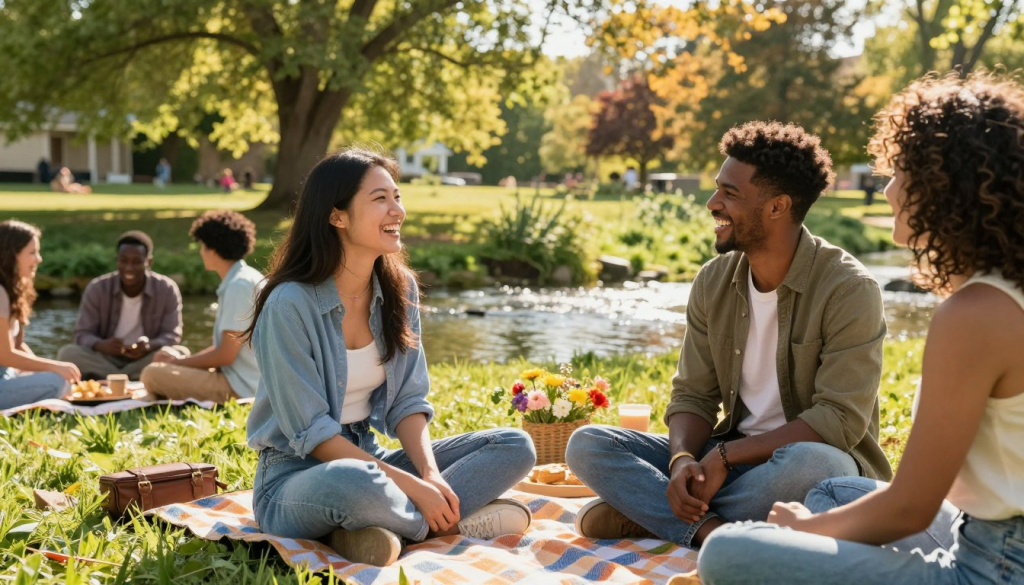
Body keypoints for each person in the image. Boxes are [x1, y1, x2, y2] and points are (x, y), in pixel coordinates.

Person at [698, 73, 1024, 585]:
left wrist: (805, 532)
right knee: (833, 488)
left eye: (900, 173)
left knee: (726, 554)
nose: (888, 188)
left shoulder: (975, 314)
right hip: (977, 528)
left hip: (991, 569)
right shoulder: (1003, 296)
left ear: (945, 187)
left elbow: (910, 509)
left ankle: (723, 531)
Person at [566, 121, 891, 550]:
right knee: (589, 445)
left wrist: (724, 458)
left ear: (777, 207)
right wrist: (684, 458)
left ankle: (651, 516)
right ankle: (710, 530)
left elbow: (838, 421)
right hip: (727, 461)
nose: (712, 203)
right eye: (718, 188)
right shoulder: (713, 280)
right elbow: (693, 396)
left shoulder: (849, 289)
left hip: (802, 466)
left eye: (730, 194)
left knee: (815, 464)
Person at [245, 148, 536, 567]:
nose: (397, 210)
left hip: (369, 455)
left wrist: (430, 476)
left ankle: (378, 531)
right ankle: (438, 525)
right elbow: (311, 433)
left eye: (397, 196)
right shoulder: (288, 304)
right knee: (357, 483)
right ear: (336, 216)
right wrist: (414, 488)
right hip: (294, 477)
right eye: (380, 198)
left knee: (514, 445)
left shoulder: (400, 288)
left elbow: (408, 402)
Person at [141, 210, 263, 403]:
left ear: (213, 250)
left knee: (151, 374)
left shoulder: (238, 286)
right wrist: (179, 362)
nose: (201, 253)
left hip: (241, 387)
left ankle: (152, 393)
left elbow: (225, 355)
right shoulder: (245, 277)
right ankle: (156, 392)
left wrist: (178, 364)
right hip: (243, 379)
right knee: (174, 353)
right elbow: (225, 348)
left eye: (202, 247)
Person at [57, 231, 189, 380]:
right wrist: (102, 345)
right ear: (116, 260)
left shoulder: (166, 289)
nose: (129, 267)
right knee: (67, 353)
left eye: (137, 261)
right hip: (106, 358)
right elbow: (82, 334)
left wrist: (149, 345)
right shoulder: (97, 288)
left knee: (180, 352)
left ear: (149, 262)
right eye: (123, 260)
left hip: (145, 358)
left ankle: (114, 379)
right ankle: (134, 378)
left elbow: (172, 334)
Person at [0, 221, 81, 409]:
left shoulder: (12, 291)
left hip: (7, 375)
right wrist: (54, 367)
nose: (39, 259)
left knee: (59, 378)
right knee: (56, 382)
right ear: (11, 255)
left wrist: (49, 369)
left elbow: (17, 347)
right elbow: (4, 355)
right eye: (32, 253)